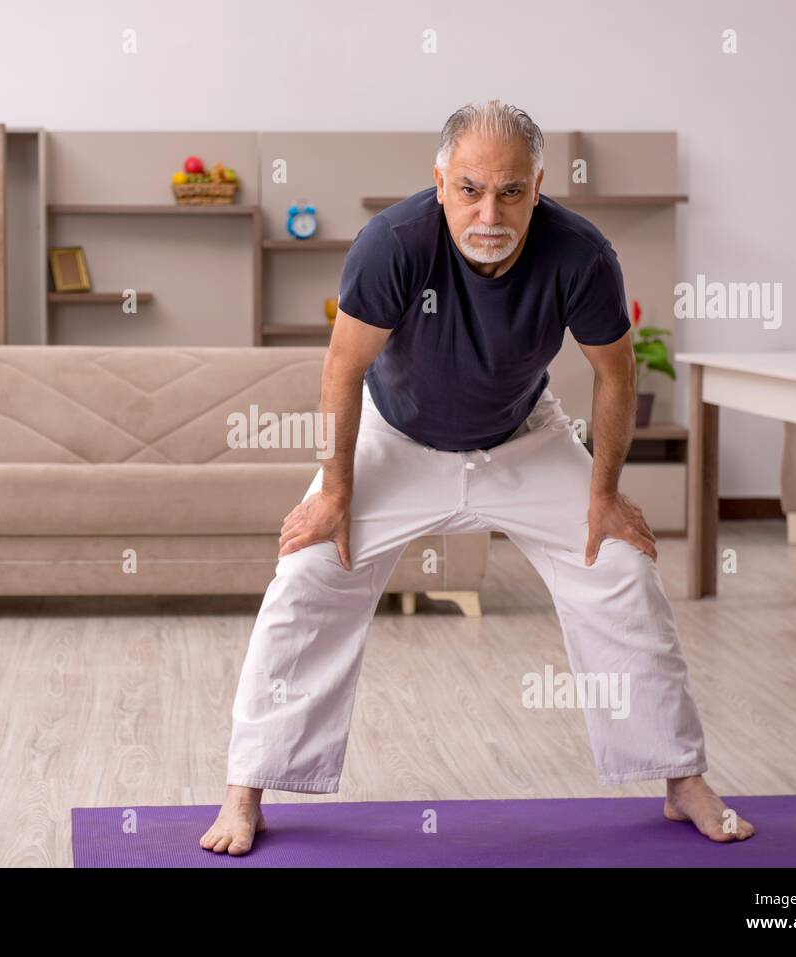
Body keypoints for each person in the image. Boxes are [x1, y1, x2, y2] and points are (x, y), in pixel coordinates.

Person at [200, 100, 755, 856]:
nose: (489, 211)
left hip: (522, 438)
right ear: (439, 182)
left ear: (539, 186)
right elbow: (343, 366)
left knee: (621, 567)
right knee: (305, 577)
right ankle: (246, 788)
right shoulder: (392, 244)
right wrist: (334, 494)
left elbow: (615, 371)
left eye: (511, 191)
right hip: (395, 437)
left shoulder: (579, 253)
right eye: (470, 189)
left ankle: (681, 777)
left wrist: (603, 495)